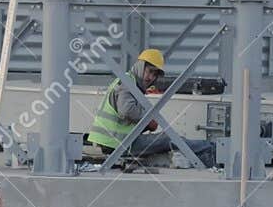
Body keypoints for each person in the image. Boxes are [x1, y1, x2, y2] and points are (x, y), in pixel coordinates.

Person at [86, 48, 216, 166]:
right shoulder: (127, 83)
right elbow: (126, 110)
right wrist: (149, 120)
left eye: (155, 75)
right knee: (169, 138)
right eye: (150, 71)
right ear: (141, 66)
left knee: (168, 141)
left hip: (115, 142)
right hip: (118, 144)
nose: (151, 77)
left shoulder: (131, 83)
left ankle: (207, 155)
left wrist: (146, 124)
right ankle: (211, 148)